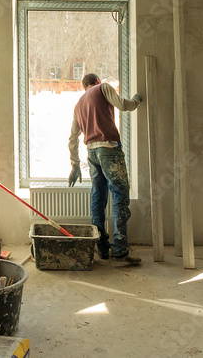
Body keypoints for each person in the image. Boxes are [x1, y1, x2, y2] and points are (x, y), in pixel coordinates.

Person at [70, 73, 143, 266]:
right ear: (96, 82)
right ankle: (119, 250)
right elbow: (122, 105)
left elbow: (72, 138)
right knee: (120, 196)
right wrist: (136, 100)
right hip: (109, 149)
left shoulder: (78, 105)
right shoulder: (103, 88)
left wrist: (75, 165)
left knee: (98, 198)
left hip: (92, 153)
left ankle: (101, 248)